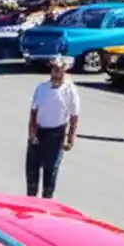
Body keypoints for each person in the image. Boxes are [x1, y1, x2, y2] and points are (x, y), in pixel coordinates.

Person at [26, 56, 81, 199]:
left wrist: (70, 139)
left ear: (64, 71)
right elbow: (33, 112)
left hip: (56, 133)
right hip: (39, 131)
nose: (56, 72)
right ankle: (30, 201)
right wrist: (32, 133)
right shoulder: (41, 88)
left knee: (50, 171)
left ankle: (46, 202)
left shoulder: (69, 91)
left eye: (59, 70)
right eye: (54, 69)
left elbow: (74, 116)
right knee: (32, 170)